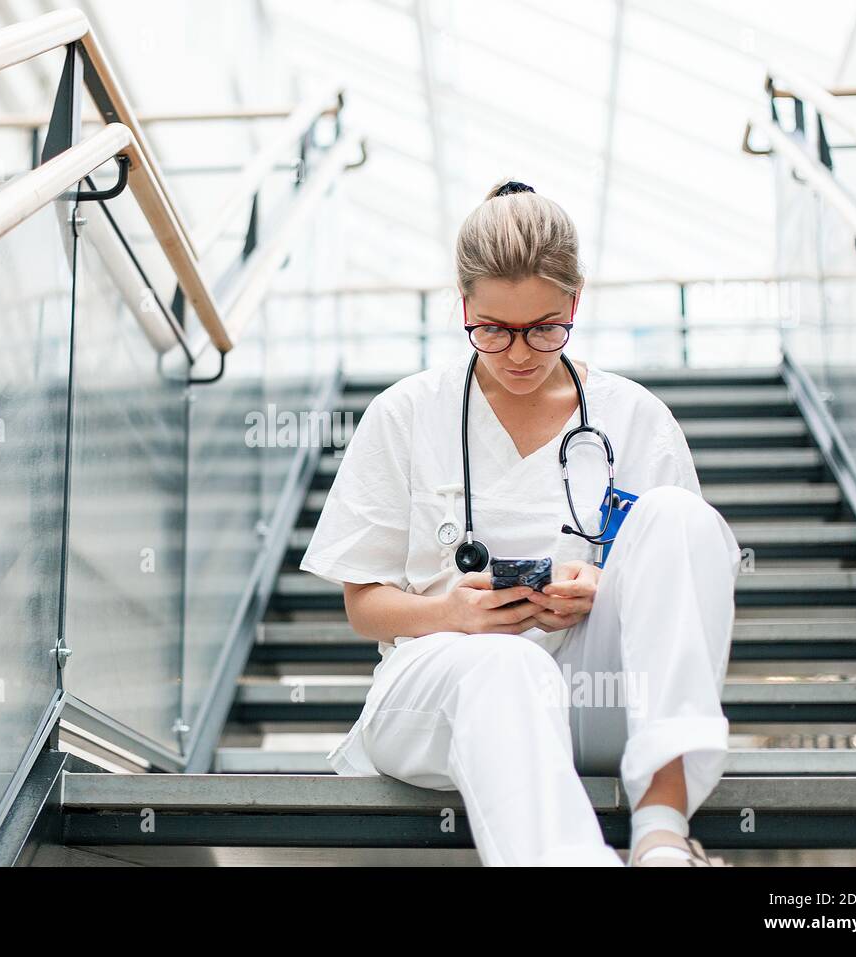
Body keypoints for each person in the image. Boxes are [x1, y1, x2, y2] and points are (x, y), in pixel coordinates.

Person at [299, 180, 743, 867]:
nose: (519, 353)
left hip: (599, 696)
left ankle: (661, 832)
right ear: (464, 302)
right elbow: (363, 607)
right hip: (442, 692)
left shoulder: (635, 417)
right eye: (493, 329)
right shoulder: (406, 412)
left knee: (680, 516)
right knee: (504, 662)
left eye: (544, 327)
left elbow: (680, 588)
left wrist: (601, 585)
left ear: (575, 301)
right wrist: (452, 612)